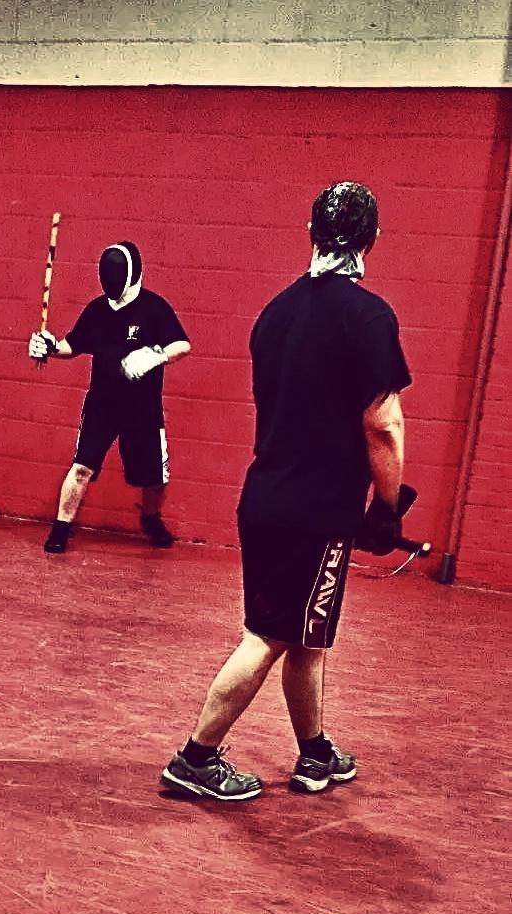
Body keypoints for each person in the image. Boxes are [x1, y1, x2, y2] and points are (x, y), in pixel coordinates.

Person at [160, 181, 412, 800]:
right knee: (270, 634)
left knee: (307, 633)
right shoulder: (370, 317)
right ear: (373, 239)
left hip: (268, 497)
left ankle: (314, 751)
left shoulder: (275, 312)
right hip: (317, 510)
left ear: (311, 234)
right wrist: (385, 507)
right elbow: (383, 423)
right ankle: (195, 758)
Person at [28, 242, 190, 553]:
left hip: (142, 409)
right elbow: (72, 346)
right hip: (102, 404)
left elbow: (182, 344)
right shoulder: (96, 310)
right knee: (81, 467)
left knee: (154, 478)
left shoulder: (154, 308)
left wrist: (155, 354)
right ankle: (61, 527)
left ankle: (151, 518)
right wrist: (49, 346)